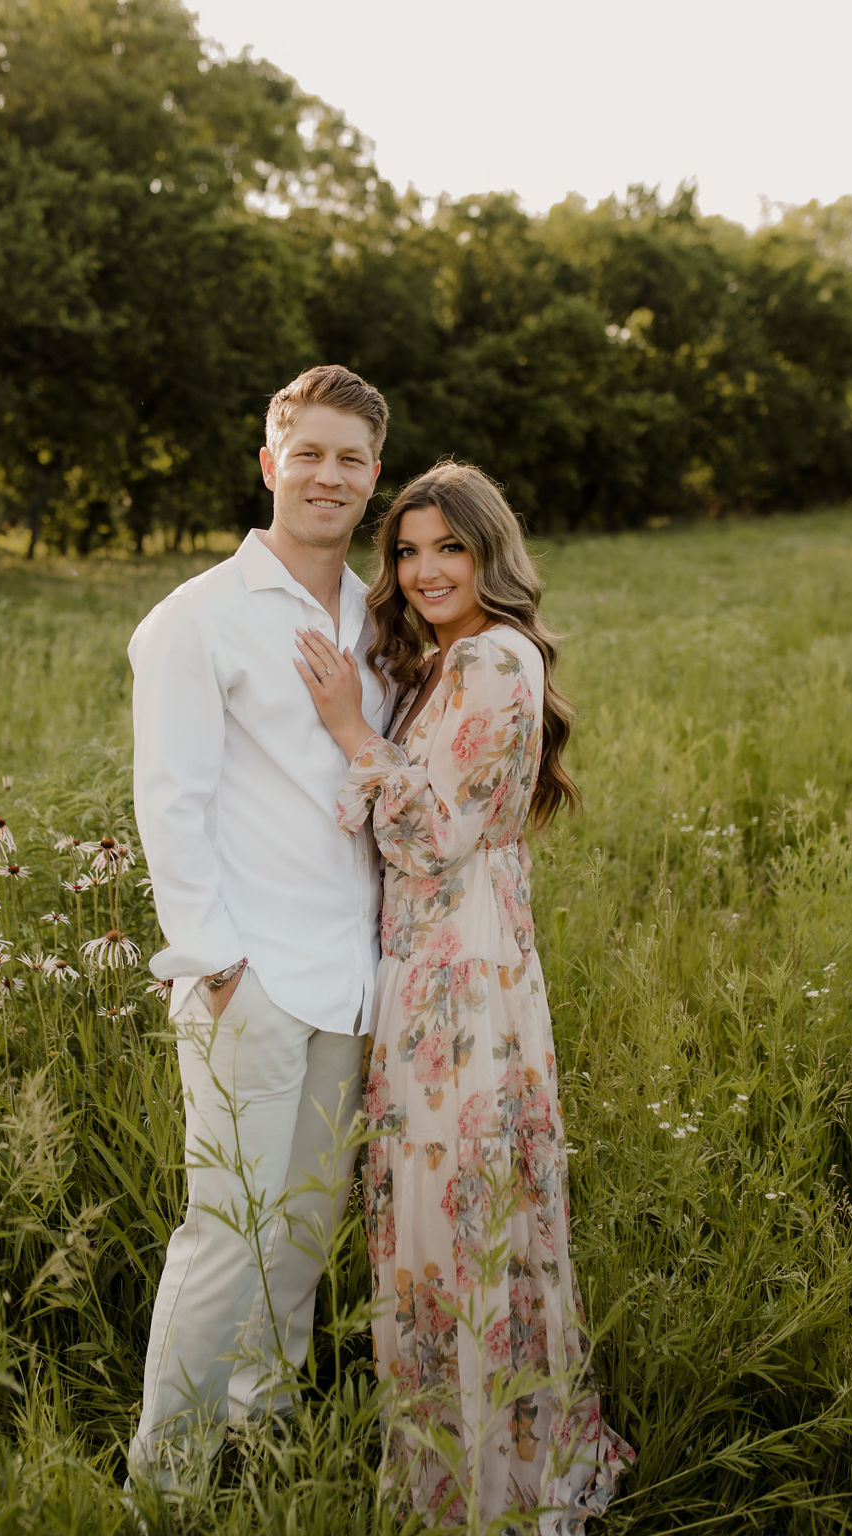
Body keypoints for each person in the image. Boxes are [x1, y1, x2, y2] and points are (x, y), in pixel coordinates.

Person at [295, 462, 635, 1531]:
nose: (426, 569)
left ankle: (489, 1481)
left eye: (450, 548)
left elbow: (430, 833)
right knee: (452, 1209)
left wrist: (354, 729)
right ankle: (466, 1452)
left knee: (461, 1214)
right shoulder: (446, 663)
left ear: (490, 555)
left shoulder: (491, 658)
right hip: (439, 967)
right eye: (407, 550)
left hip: (462, 983)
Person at [126, 364, 390, 1487]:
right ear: (269, 460)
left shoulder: (377, 617)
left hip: (355, 970)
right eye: (311, 452)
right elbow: (169, 803)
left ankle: (261, 1422)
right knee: (225, 1234)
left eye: (352, 458)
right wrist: (217, 964)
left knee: (304, 1229)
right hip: (252, 974)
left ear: (374, 478)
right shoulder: (198, 618)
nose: (329, 475)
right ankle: (166, 1477)